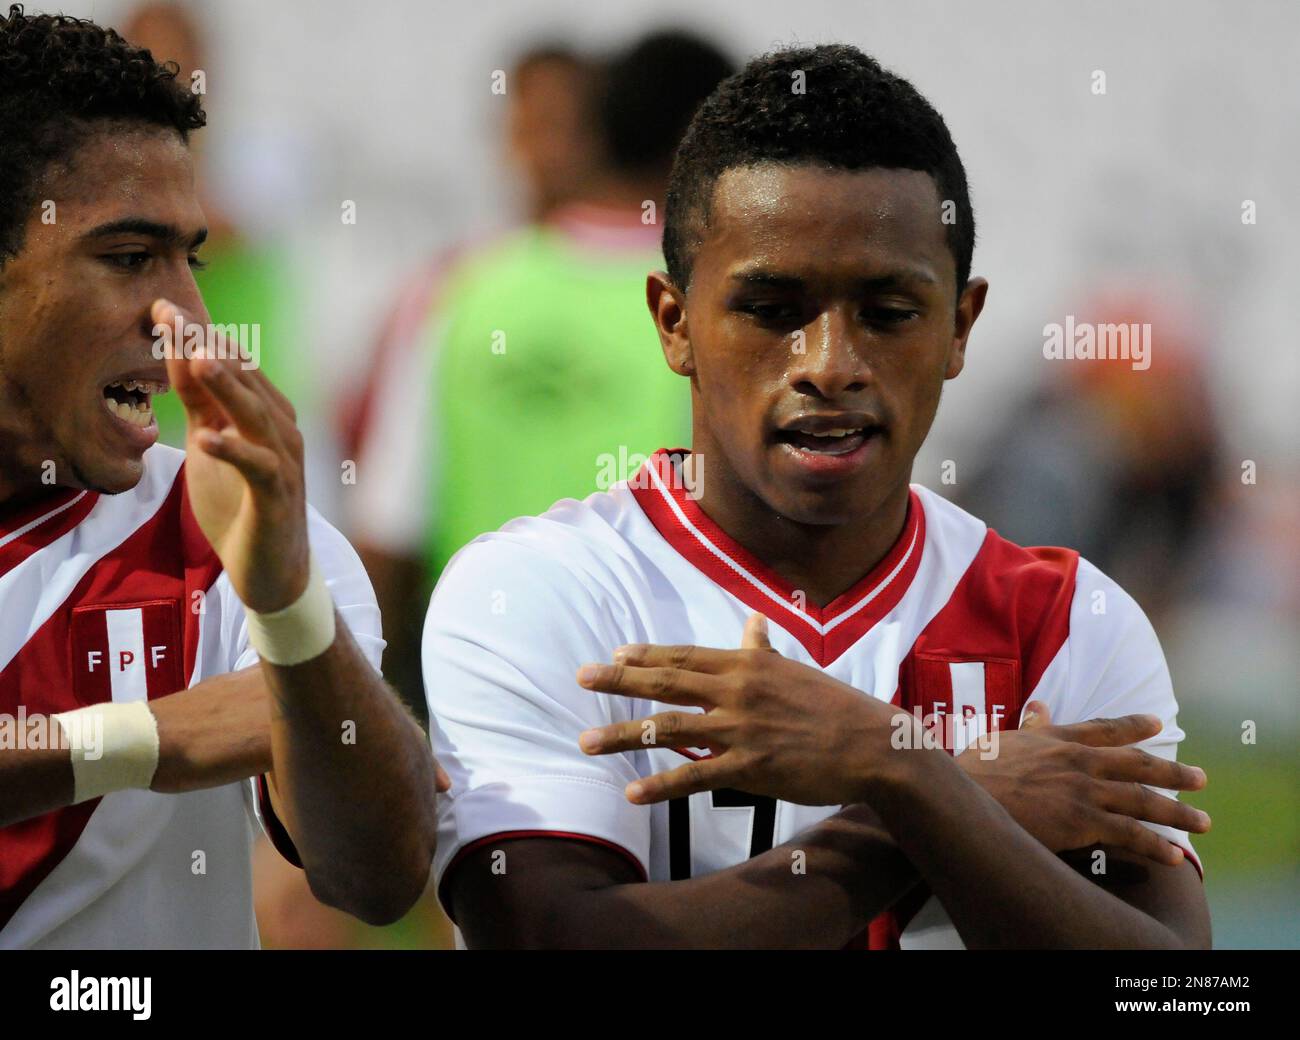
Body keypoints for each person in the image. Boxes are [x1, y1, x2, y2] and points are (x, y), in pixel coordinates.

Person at [422, 44, 1213, 948]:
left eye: (888, 311)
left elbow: (1182, 989)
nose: (830, 364)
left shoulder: (1069, 621)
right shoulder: (539, 593)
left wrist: (893, 766)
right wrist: (929, 789)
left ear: (961, 326)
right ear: (674, 323)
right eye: (772, 309)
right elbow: (548, 941)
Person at [0, 5, 440, 948]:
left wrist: (286, 609)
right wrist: (158, 736)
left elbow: (380, 873)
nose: (188, 315)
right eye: (129, 257)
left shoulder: (231, 533)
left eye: (189, 258)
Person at [349, 30, 734, 713]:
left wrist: (356, 727)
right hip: (661, 715)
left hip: (475, 707)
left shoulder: (458, 290)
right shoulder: (719, 302)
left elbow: (386, 533)